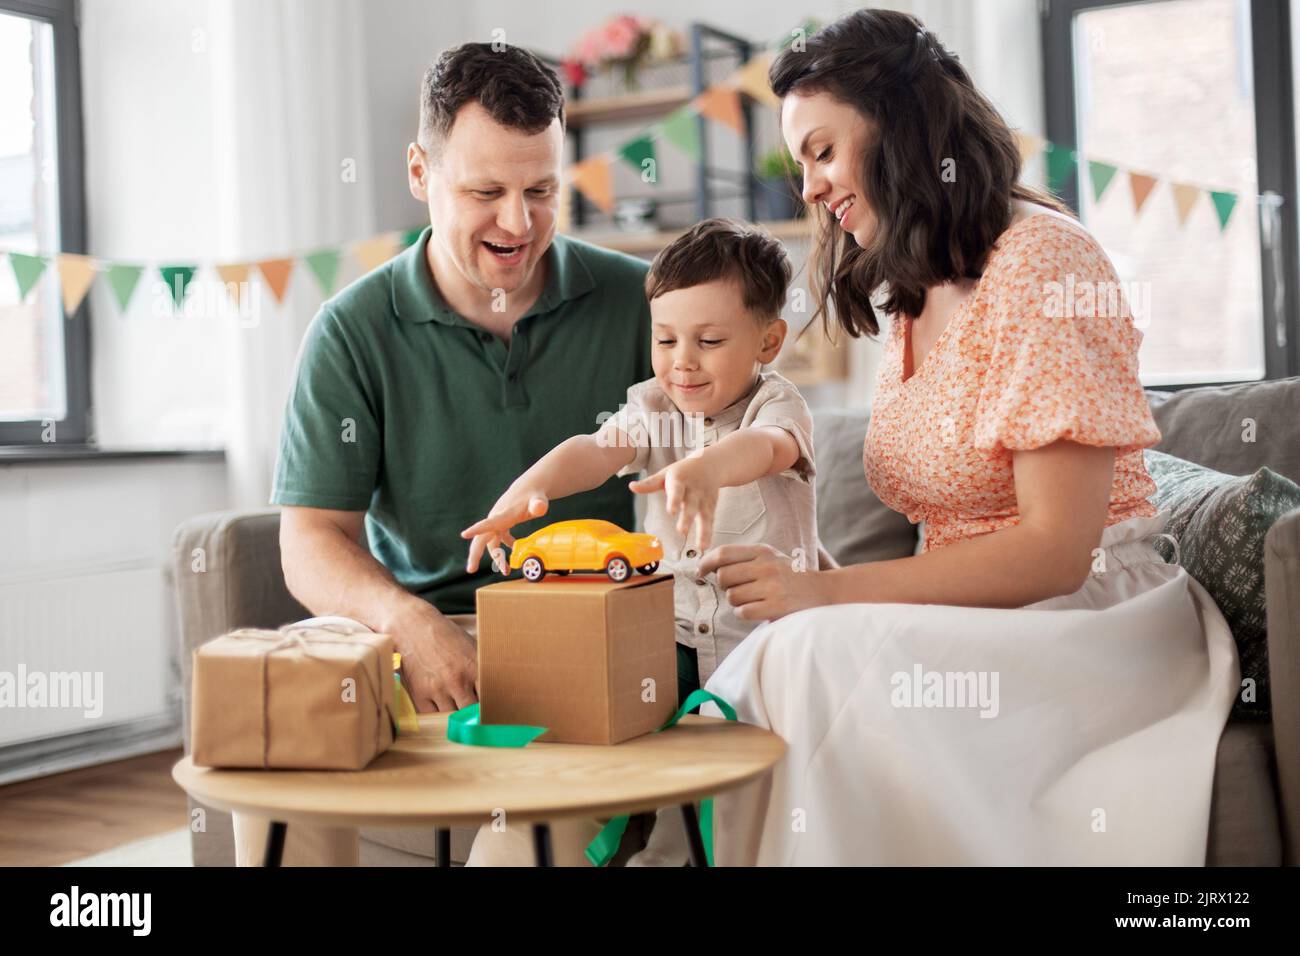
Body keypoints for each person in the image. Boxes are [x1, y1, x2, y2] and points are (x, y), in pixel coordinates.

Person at [696, 8, 1240, 865]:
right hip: (979, 617)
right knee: (782, 646)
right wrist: (813, 569)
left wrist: (834, 600)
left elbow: (1057, 551)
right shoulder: (913, 286)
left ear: (904, 131)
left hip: (1088, 621)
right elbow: (942, 534)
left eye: (822, 151)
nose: (806, 189)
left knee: (805, 654)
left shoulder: (1045, 264)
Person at [232, 41, 653, 866]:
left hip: (590, 637)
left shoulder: (638, 302)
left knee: (521, 841)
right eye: (485, 192)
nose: (518, 222)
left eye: (541, 190)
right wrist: (406, 622)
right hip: (420, 637)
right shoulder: (352, 330)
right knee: (275, 766)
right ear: (420, 173)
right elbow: (310, 538)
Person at [461, 218, 824, 865]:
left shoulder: (778, 405)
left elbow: (770, 450)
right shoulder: (656, 406)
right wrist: (526, 493)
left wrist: (708, 467)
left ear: (768, 341)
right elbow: (596, 451)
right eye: (665, 339)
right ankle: (567, 826)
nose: (682, 360)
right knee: (608, 728)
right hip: (668, 638)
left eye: (709, 341)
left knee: (727, 787)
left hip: (761, 647)